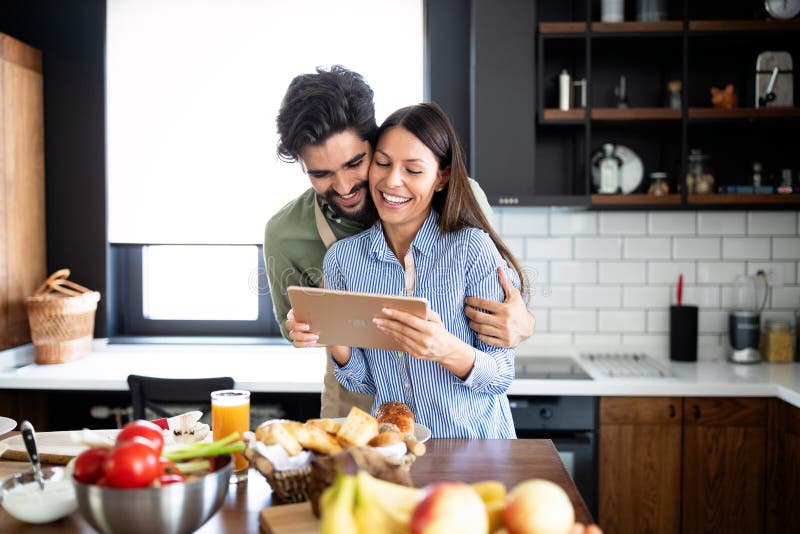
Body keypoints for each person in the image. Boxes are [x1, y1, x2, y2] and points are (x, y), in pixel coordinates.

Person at [264, 66, 534, 418]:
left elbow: (501, 320)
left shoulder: (462, 209)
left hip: (460, 414)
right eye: (321, 173)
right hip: (359, 407)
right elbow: (317, 342)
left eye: (355, 163)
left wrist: (524, 322)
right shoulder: (287, 235)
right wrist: (313, 325)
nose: (344, 186)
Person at [324, 102, 524, 438]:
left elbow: (501, 375)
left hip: (476, 452)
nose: (391, 181)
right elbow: (364, 381)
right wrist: (334, 339)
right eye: (382, 163)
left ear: (441, 177)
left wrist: (445, 348)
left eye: (413, 171)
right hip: (396, 450)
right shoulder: (343, 260)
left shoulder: (471, 250)